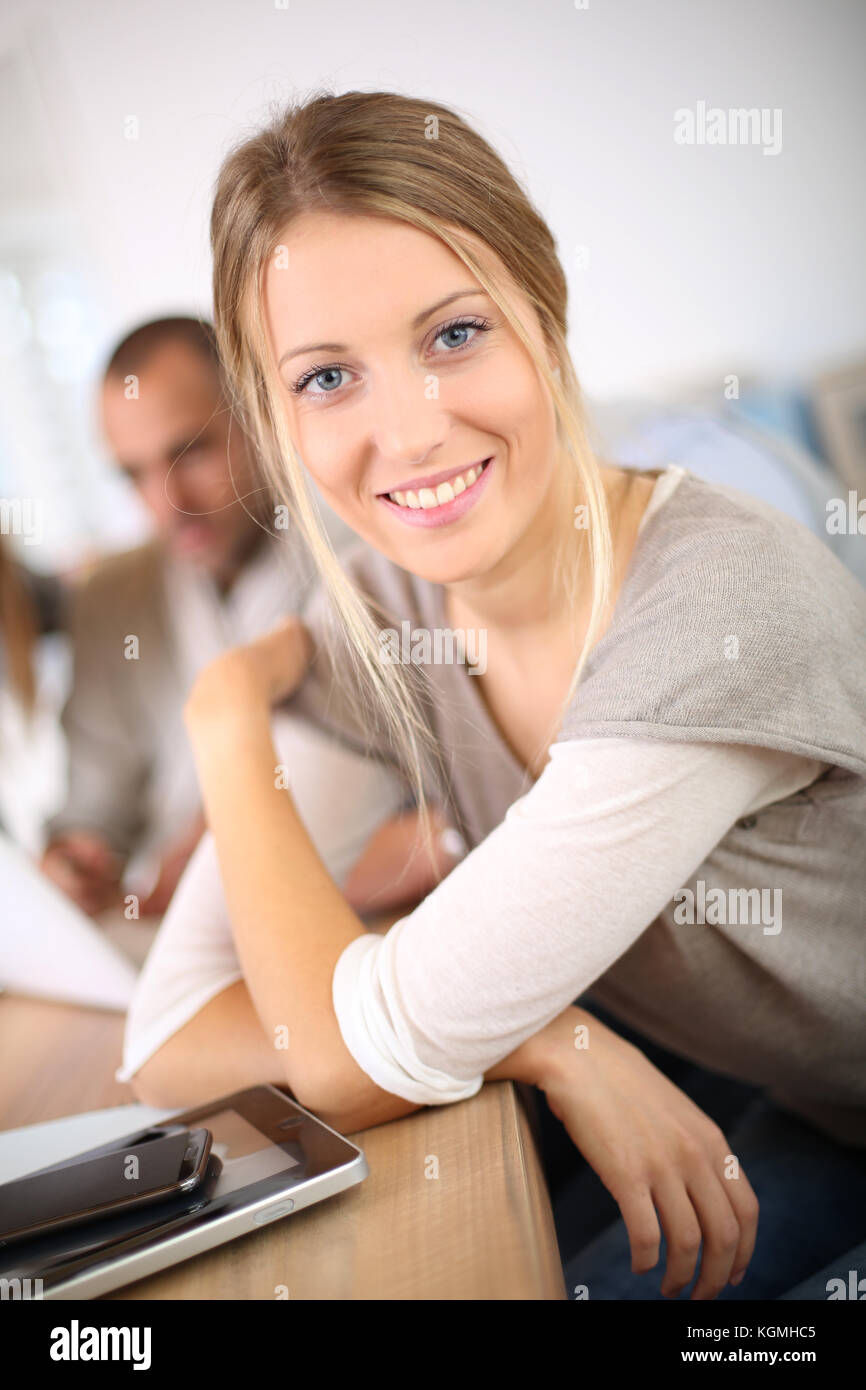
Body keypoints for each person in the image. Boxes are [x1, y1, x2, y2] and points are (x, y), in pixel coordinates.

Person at [118, 91, 866, 1302]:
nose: (408, 432)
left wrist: (220, 710)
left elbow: (351, 1055)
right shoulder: (383, 621)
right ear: (273, 416)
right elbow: (166, 1040)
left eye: (454, 334)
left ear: (545, 314)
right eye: (324, 378)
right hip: (810, 1100)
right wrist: (553, 1039)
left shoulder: (715, 613)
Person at [40, 317, 456, 918]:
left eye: (191, 452)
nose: (167, 504)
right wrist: (79, 858)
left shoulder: (384, 553)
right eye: (133, 474)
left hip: (360, 927)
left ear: (262, 414)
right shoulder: (110, 600)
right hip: (162, 933)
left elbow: (467, 806)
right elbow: (94, 806)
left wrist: (257, 880)